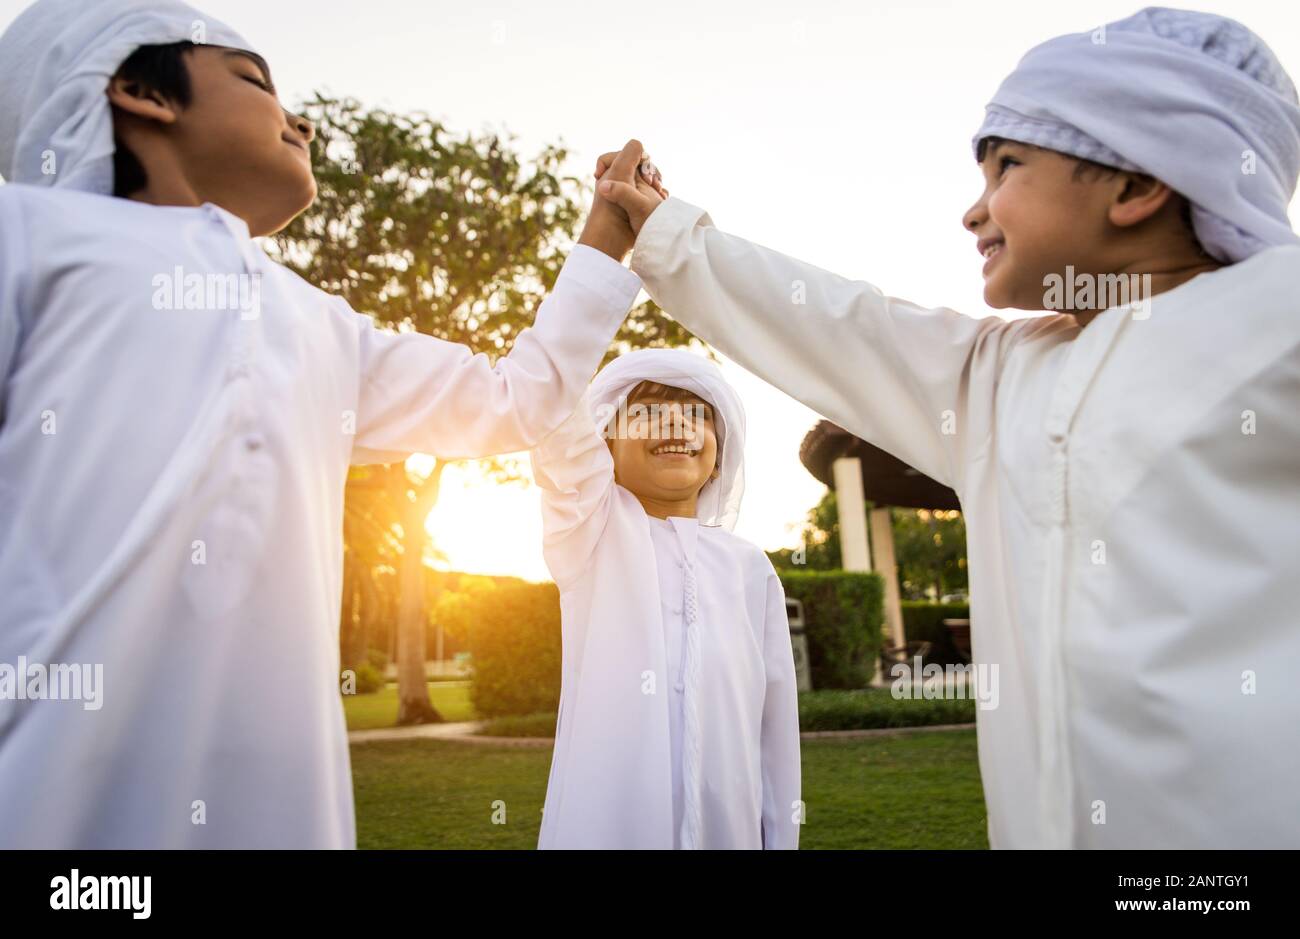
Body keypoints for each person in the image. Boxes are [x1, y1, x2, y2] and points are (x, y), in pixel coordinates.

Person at [596, 8, 1300, 848]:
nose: (975, 211)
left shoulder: (1276, 322)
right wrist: (668, 234)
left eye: (1007, 165)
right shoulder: (998, 376)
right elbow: (843, 325)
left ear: (1137, 183)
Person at [0, 0, 661, 847]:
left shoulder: (323, 328)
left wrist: (604, 235)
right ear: (139, 90)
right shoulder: (31, 240)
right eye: (254, 81)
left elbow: (518, 398)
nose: (301, 119)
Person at [530, 349, 801, 849]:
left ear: (720, 454)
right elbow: (555, 423)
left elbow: (775, 727)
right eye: (648, 411)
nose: (676, 421)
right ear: (604, 445)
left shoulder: (749, 568)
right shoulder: (589, 534)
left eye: (698, 413)